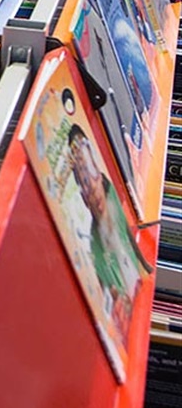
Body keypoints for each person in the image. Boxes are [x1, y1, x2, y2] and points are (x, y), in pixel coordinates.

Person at [67, 123, 144, 336]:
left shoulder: (121, 198)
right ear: (83, 198)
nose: (90, 187)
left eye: (90, 173)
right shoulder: (93, 257)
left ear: (99, 174)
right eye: (83, 181)